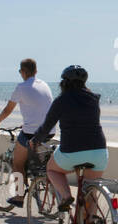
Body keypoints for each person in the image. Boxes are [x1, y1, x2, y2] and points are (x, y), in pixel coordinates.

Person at [30, 65, 107, 213]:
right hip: (99, 152)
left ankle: (66, 197)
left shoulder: (62, 100)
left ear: (64, 82)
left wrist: (35, 140)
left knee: (52, 169)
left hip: (72, 151)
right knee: (90, 195)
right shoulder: (93, 99)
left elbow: (46, 127)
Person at [0, 59, 54, 207]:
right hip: (49, 132)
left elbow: (8, 109)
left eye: (20, 72)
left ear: (23, 72)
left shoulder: (21, 87)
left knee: (17, 163)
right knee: (38, 163)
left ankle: (19, 197)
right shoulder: (44, 85)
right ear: (36, 71)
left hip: (31, 134)